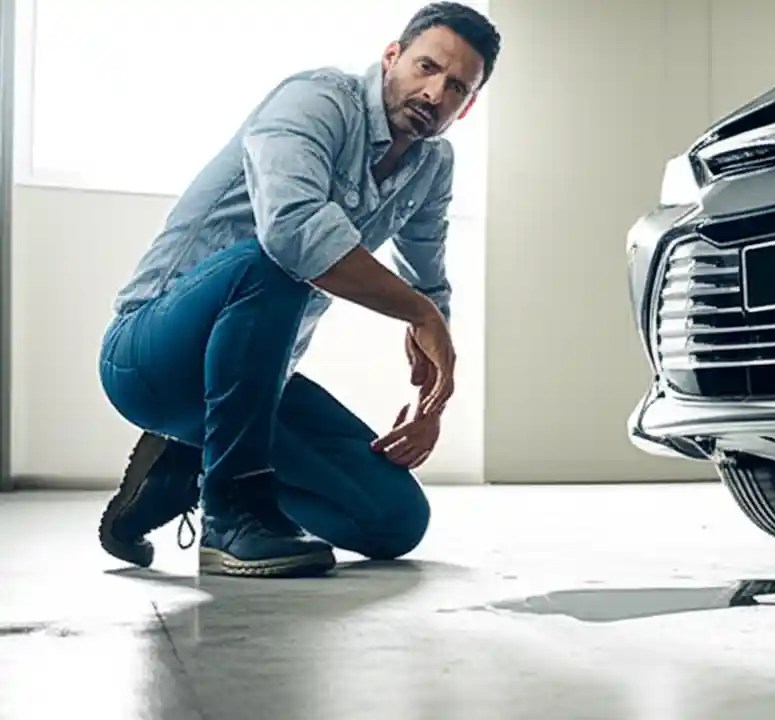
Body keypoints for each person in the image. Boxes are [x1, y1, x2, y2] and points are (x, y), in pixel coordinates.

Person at [94, 2, 501, 578]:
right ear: (391, 58)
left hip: (253, 388)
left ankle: (181, 467)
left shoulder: (432, 165)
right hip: (150, 358)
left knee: (396, 519)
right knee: (274, 259)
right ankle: (231, 515)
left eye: (457, 85)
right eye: (426, 67)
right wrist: (419, 314)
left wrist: (434, 391)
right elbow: (292, 230)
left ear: (469, 103)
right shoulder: (316, 100)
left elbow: (427, 282)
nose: (435, 93)